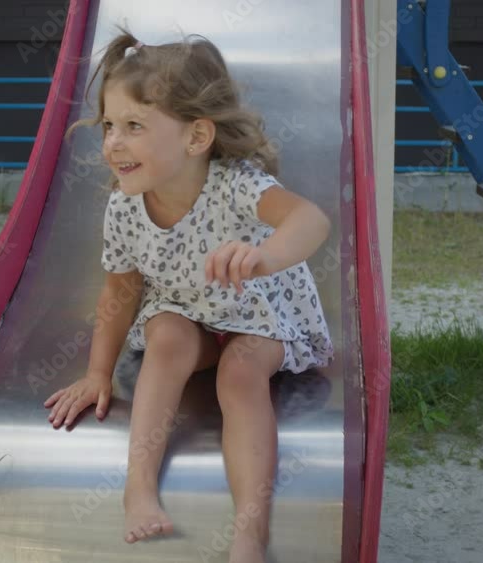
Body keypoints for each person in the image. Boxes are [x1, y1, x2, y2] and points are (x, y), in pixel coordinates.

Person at [43, 29, 334, 563]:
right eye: (109, 126)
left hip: (257, 314)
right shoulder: (126, 207)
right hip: (184, 311)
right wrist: (98, 373)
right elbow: (121, 291)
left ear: (196, 137)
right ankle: (139, 488)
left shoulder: (237, 184)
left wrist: (265, 257)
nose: (113, 143)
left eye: (134, 126)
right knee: (167, 341)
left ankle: (249, 530)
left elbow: (310, 219)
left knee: (240, 374)